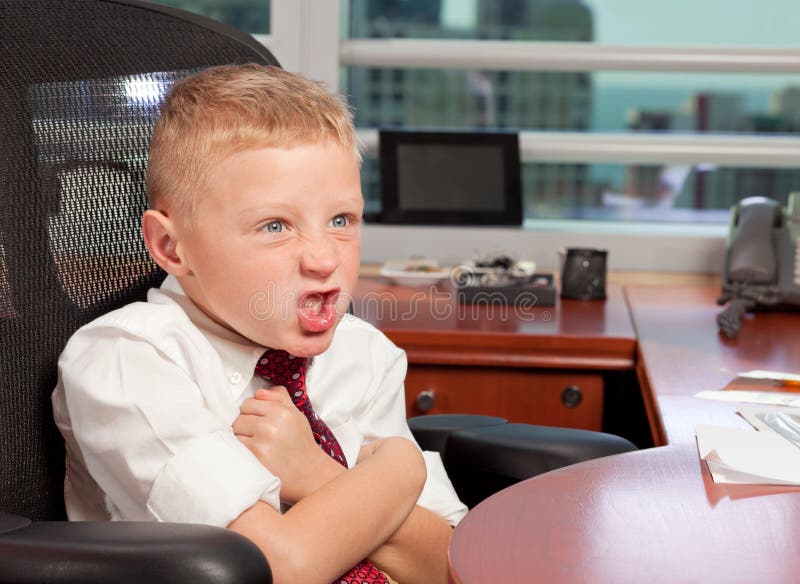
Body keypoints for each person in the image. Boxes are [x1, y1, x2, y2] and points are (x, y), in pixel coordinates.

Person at [52, 63, 467, 584]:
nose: (322, 258)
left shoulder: (363, 353)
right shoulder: (127, 359)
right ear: (170, 247)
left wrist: (317, 476)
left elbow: (453, 567)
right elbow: (276, 568)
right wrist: (398, 468)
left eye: (341, 221)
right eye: (275, 225)